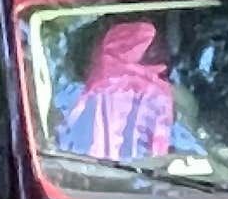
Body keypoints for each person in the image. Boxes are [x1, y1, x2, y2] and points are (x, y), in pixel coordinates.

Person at [57, 18, 178, 164]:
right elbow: (160, 145)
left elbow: (65, 139)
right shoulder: (159, 93)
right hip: (145, 180)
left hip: (87, 178)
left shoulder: (89, 89)